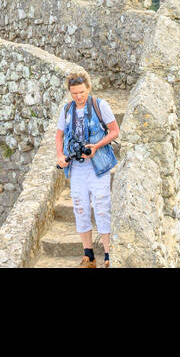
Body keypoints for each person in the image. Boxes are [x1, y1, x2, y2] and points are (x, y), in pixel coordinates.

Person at [55, 73, 119, 268]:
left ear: (88, 89)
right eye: (74, 93)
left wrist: (96, 146)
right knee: (80, 207)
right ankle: (88, 254)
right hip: (77, 168)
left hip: (98, 166)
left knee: (101, 206)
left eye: (81, 92)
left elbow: (115, 131)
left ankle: (108, 254)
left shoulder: (100, 105)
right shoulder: (67, 110)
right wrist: (60, 155)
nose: (78, 97)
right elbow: (59, 135)